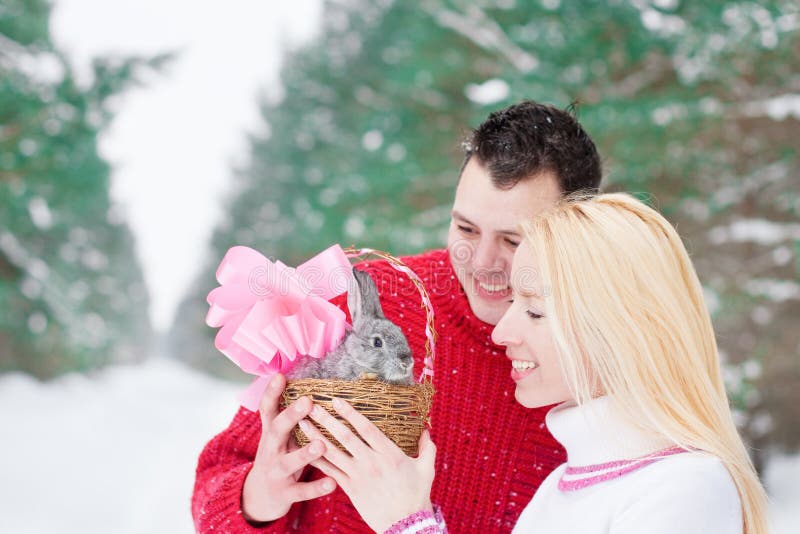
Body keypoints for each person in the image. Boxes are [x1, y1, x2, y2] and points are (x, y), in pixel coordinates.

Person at [191, 100, 603, 533]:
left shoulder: (595, 368)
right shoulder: (370, 303)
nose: (481, 261)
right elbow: (216, 483)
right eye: (465, 229)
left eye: (513, 240)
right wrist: (257, 499)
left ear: (579, 234)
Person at [304, 192, 769, 534]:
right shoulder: (566, 483)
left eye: (535, 310)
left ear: (621, 326)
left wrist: (408, 523)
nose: (502, 332)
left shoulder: (685, 490)